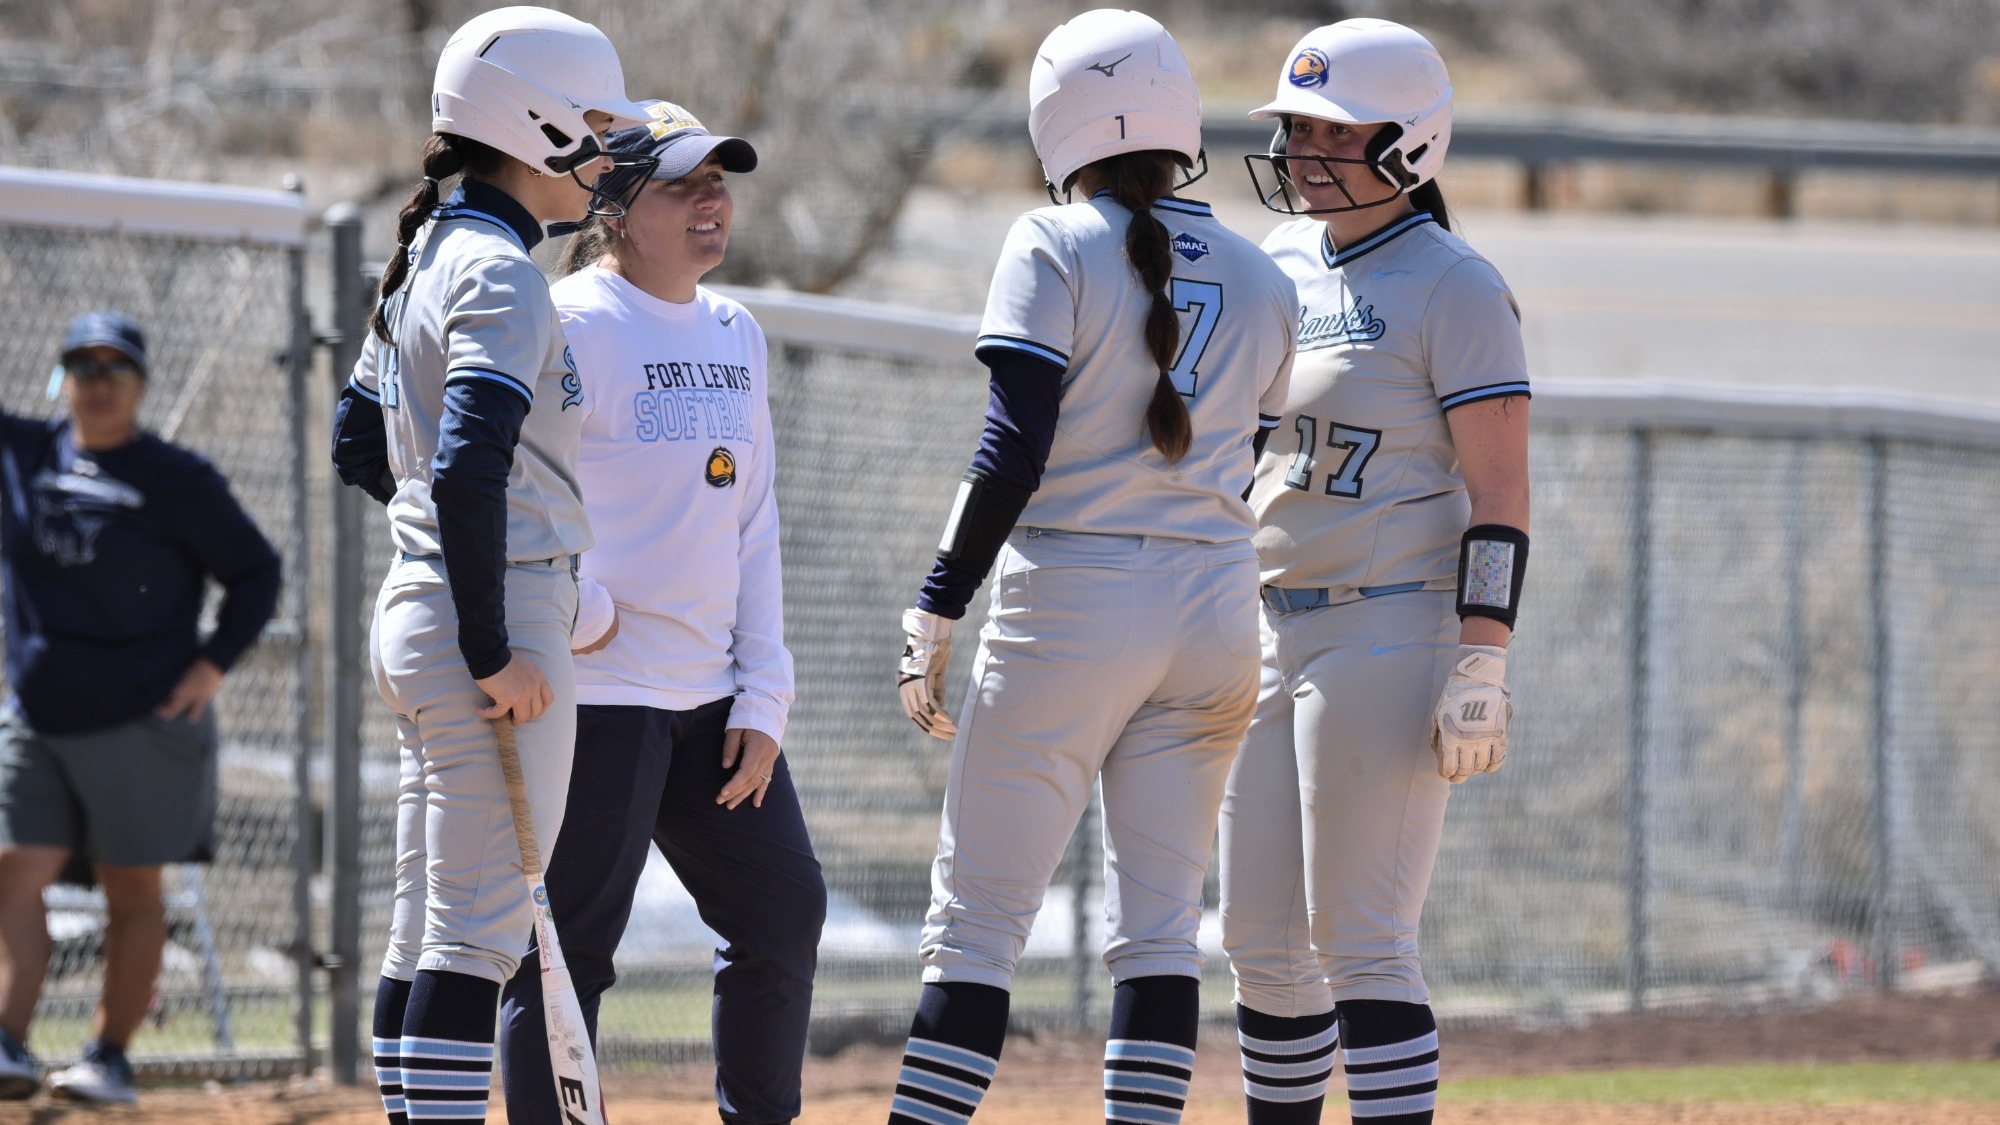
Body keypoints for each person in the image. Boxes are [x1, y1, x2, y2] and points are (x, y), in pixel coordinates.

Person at [887, 11, 1298, 1125]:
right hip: (1217, 607)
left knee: (976, 928)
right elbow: (1244, 457)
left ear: (1056, 124)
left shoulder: (1051, 241)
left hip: (1073, 597)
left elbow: (1008, 451)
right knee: (1158, 930)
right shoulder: (1266, 277)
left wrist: (938, 599)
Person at [327, 8, 657, 1123]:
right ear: (535, 123)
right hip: (490, 619)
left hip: (425, 605)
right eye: (593, 124)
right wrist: (492, 641)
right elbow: (469, 470)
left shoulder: (429, 251)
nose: (606, 150)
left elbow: (358, 445)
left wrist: (448, 555)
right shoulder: (501, 273)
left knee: (427, 930)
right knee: (473, 941)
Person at [1218, 19, 1531, 1125]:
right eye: (1296, 129)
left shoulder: (1454, 284)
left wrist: (1482, 657)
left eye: (1335, 132)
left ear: (1411, 140)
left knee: (1360, 936)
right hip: (1264, 622)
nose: (1305, 152)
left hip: (1387, 622)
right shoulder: (1276, 259)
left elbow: (1500, 495)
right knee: (1260, 944)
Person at [495, 102, 827, 1125]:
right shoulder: (569, 321)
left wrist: (763, 696)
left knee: (781, 913)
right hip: (597, 699)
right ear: (614, 206)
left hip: (712, 705)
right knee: (566, 952)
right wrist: (575, 610)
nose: (710, 202)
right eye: (683, 185)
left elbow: (752, 521)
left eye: (718, 182)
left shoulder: (737, 332)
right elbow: (501, 495)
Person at [0, 310, 280, 1105]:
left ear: (140, 384)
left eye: (115, 369)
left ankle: (109, 1057)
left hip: (139, 716)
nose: (99, 384)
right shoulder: (23, 453)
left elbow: (257, 572)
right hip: (37, 712)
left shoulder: (176, 477)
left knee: (130, 887)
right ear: (61, 379)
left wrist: (210, 667)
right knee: (15, 868)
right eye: (83, 369)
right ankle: (7, 1046)